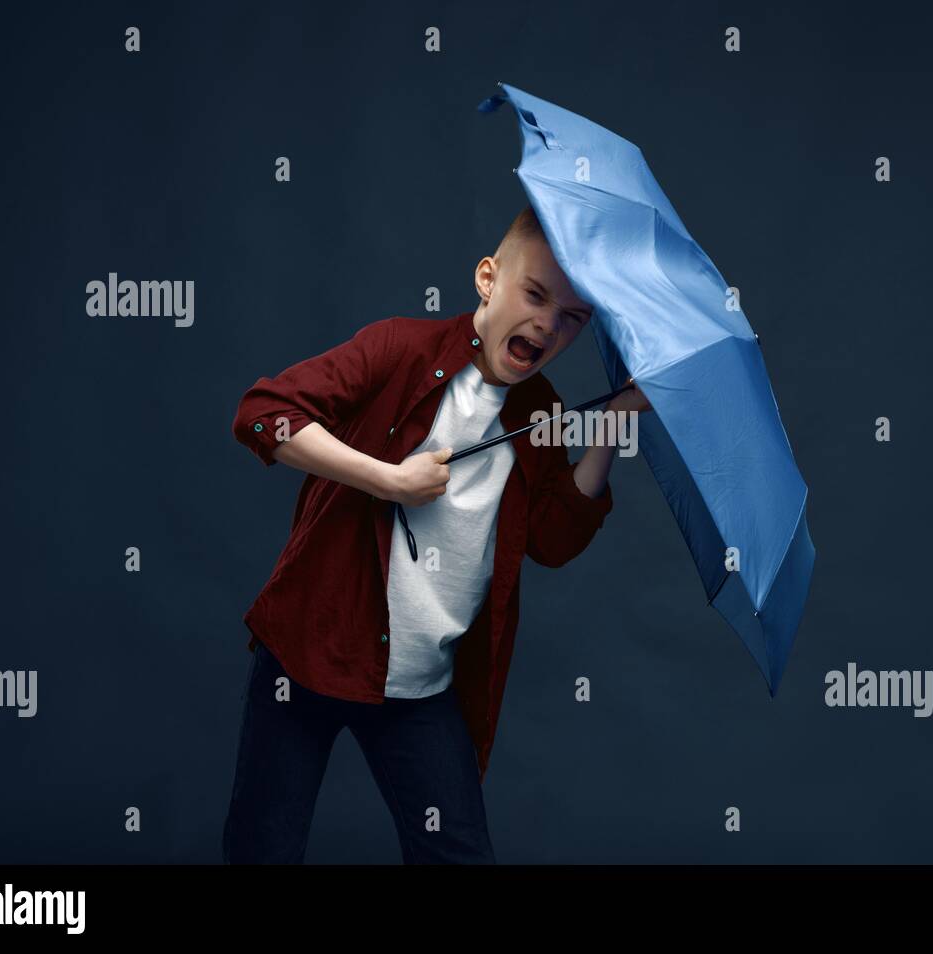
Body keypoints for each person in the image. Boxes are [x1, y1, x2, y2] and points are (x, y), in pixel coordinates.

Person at [222, 205, 651, 864]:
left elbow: (554, 540)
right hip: (309, 653)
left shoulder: (541, 411)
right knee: (263, 850)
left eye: (572, 317)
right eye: (535, 295)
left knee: (459, 857)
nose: (547, 324)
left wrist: (617, 422)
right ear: (488, 278)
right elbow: (263, 416)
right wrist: (384, 479)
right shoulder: (400, 348)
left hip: (420, 687)